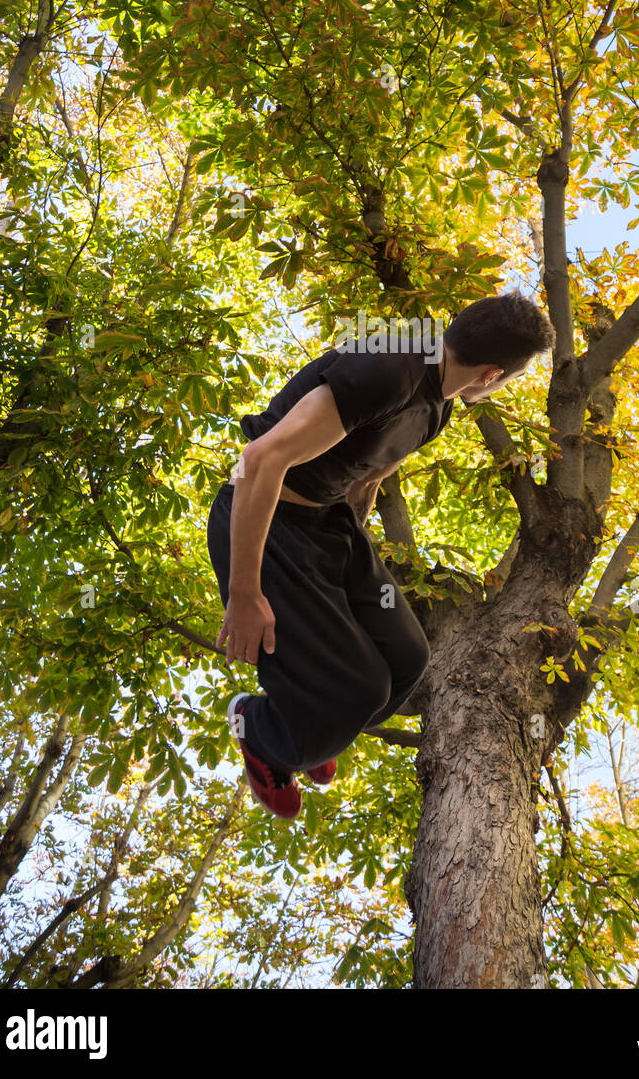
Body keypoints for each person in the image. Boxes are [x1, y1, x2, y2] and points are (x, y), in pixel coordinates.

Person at [206, 290, 555, 819]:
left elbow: (370, 468)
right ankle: (262, 727)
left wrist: (351, 553)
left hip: (330, 527)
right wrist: (244, 591)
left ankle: (315, 722)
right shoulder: (390, 368)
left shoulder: (437, 407)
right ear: (491, 374)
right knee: (362, 686)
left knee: (407, 660)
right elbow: (261, 458)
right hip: (266, 519)